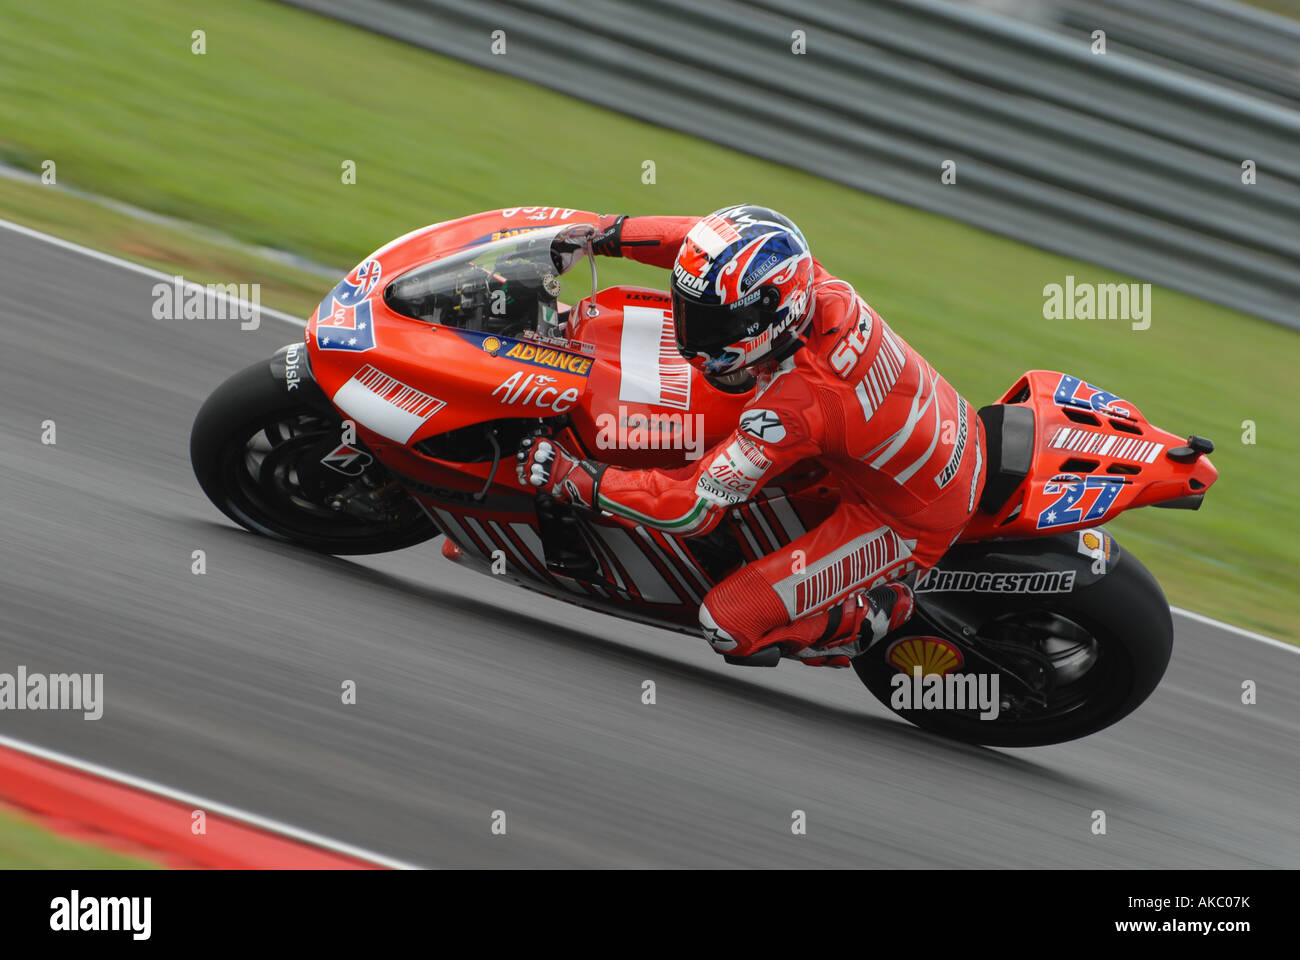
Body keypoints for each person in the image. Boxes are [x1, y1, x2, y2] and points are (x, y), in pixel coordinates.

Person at [517, 205, 985, 668]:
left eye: (714, 323)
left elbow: (690, 507)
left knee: (727, 625)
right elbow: (693, 241)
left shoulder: (797, 406)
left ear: (766, 320)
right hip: (937, 430)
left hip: (911, 516)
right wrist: (601, 234)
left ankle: (868, 615)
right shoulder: (806, 284)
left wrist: (577, 480)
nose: (693, 331)